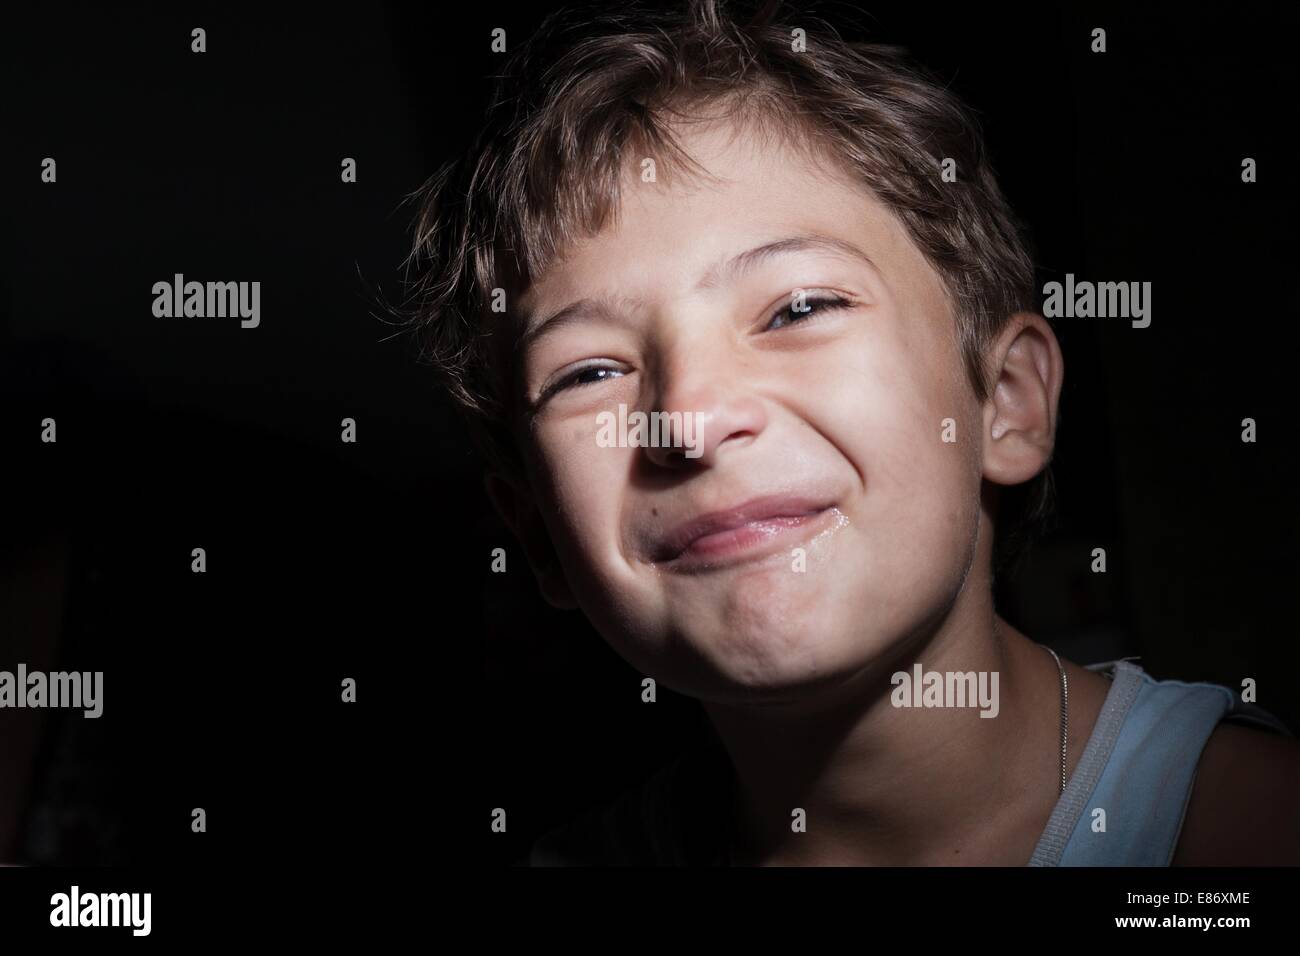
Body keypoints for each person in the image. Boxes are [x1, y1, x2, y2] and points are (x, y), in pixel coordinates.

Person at [404, 0, 1300, 865]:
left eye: (799, 308)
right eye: (589, 373)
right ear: (536, 536)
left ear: (1008, 402)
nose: (693, 419)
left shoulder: (1254, 830)